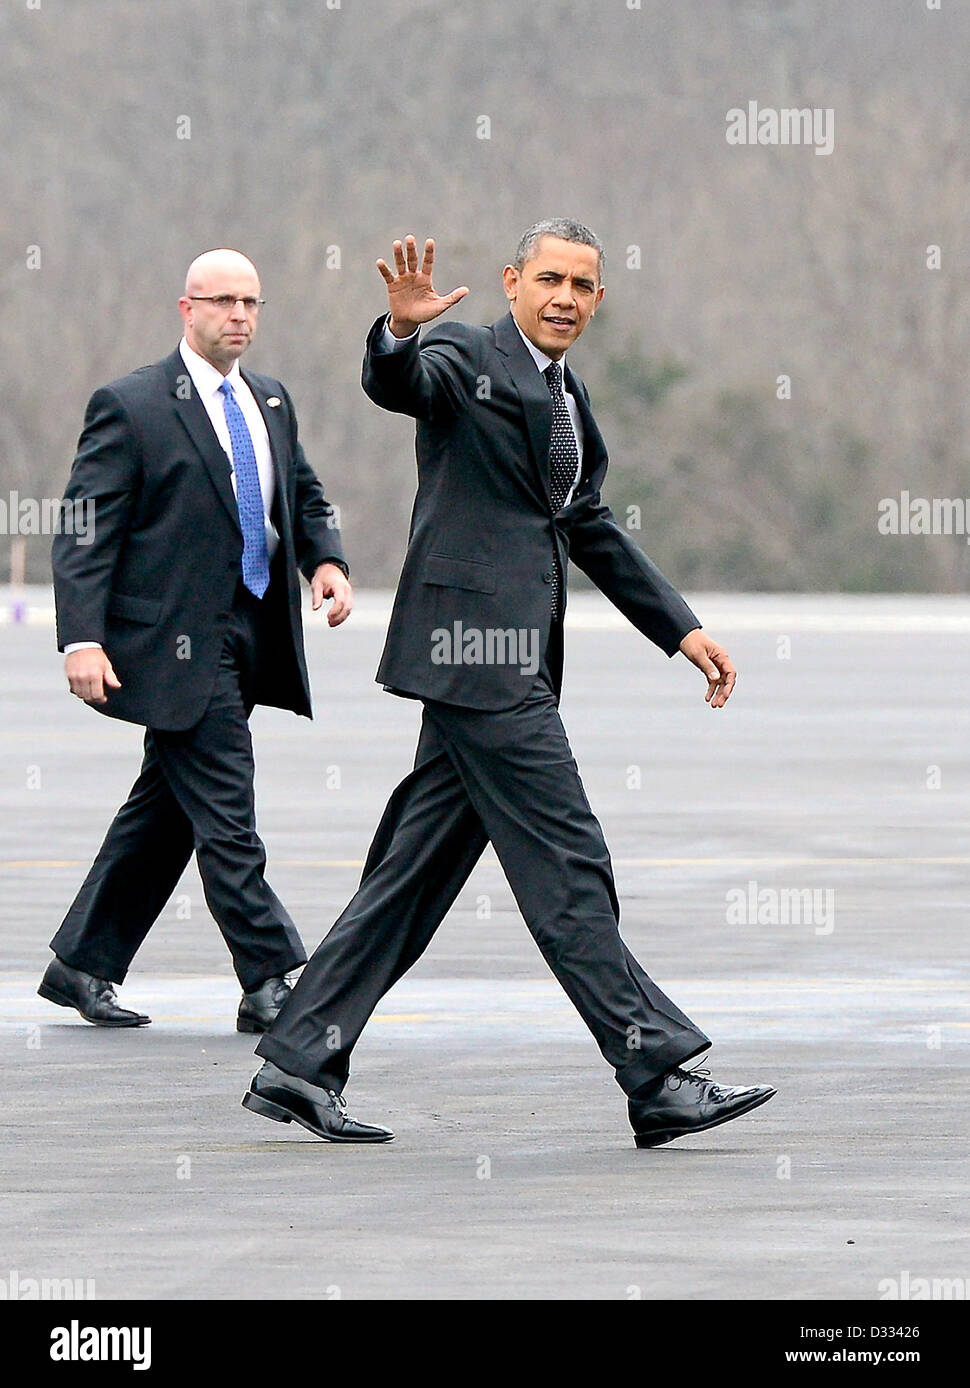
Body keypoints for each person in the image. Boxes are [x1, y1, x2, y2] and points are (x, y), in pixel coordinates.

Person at [243, 221, 775, 1147]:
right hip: (476, 655)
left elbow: (588, 523)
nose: (566, 297)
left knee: (411, 876)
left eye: (583, 285)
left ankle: (299, 1060)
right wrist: (400, 332)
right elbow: (404, 384)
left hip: (503, 662)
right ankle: (654, 1072)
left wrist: (681, 629)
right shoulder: (466, 352)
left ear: (599, 299)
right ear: (513, 282)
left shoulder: (570, 399)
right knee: (568, 861)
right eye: (550, 280)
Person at [40, 249, 351, 1034]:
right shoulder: (133, 403)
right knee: (225, 805)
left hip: (253, 636)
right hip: (171, 645)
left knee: (166, 811)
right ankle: (272, 975)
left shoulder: (271, 400)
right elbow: (83, 532)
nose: (238, 316)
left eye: (251, 302)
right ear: (187, 308)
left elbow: (303, 493)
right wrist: (81, 639)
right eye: (222, 302)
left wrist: (328, 560)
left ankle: (82, 964)